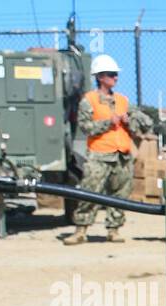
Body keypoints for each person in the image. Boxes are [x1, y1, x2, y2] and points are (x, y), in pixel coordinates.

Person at [64, 54, 134, 245]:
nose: (116, 78)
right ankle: (81, 230)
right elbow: (86, 127)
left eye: (116, 74)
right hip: (100, 153)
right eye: (112, 74)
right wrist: (107, 123)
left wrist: (130, 122)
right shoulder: (89, 100)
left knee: (120, 193)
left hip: (122, 154)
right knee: (90, 191)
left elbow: (136, 125)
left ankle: (114, 229)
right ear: (100, 76)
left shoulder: (123, 100)